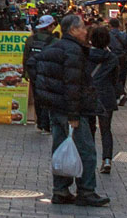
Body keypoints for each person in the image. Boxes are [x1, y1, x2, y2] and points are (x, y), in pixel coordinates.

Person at [33, 14, 106, 207]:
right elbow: (72, 85)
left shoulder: (54, 47)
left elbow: (38, 73)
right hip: (71, 109)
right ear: (72, 30)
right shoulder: (73, 51)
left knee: (61, 148)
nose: (85, 31)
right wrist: (73, 114)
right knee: (86, 151)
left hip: (55, 108)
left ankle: (61, 190)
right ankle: (86, 190)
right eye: (82, 28)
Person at [87, 25, 124, 175]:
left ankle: (89, 159)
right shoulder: (112, 58)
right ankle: (107, 160)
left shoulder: (85, 55)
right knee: (106, 129)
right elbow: (116, 79)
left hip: (89, 95)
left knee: (89, 129)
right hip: (106, 95)